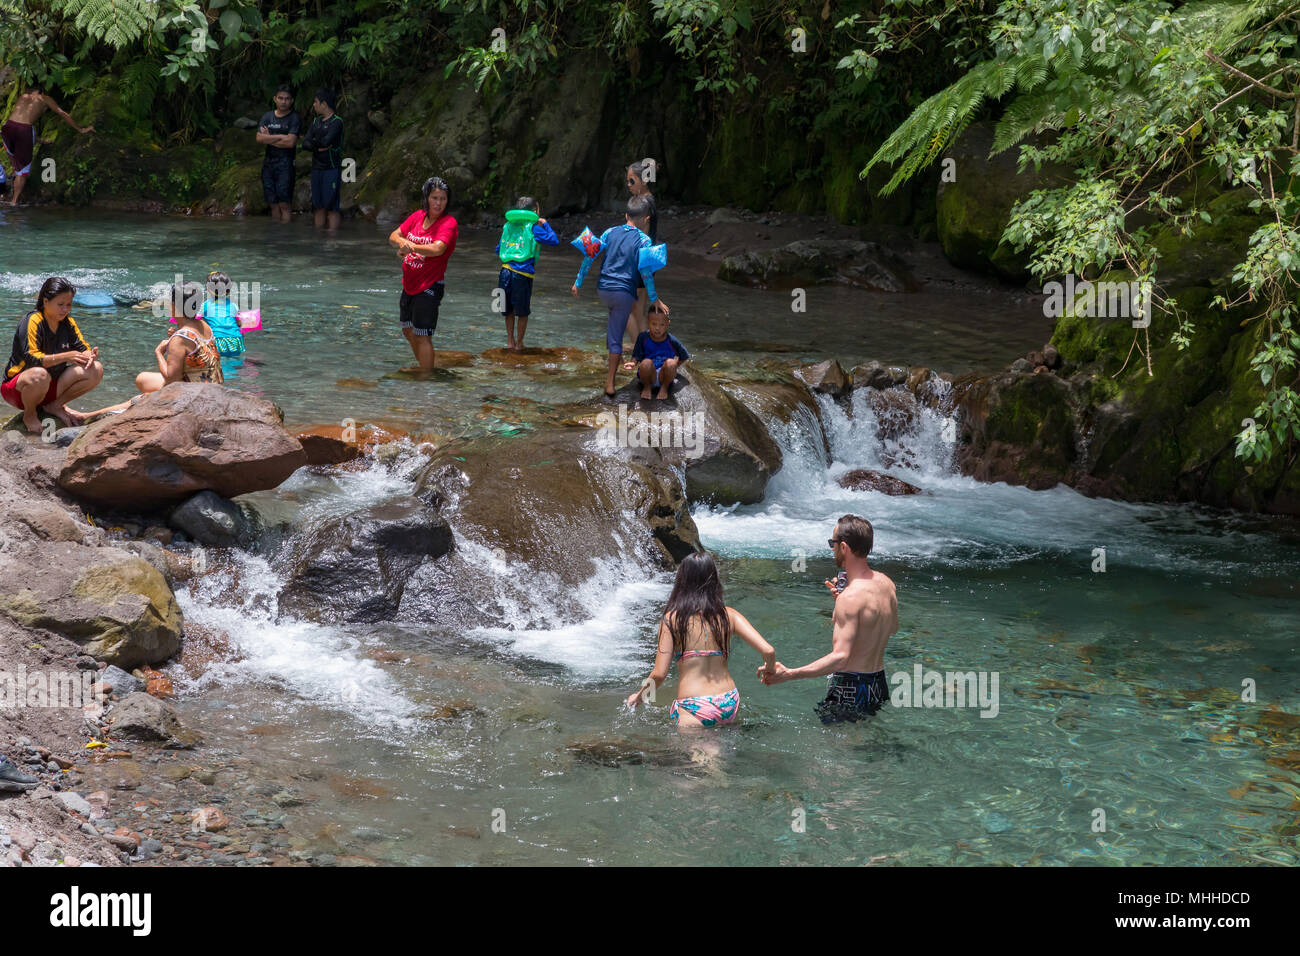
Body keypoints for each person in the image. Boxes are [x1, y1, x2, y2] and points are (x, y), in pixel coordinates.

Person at [760, 515, 898, 724]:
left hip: (850, 686)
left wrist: (789, 674)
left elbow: (840, 657)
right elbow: (892, 628)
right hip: (878, 683)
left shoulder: (851, 598)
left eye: (832, 544)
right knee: (864, 749)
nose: (832, 549)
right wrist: (841, 601)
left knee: (837, 751)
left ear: (843, 547)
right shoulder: (886, 584)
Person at [626, 552, 776, 729]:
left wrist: (639, 696)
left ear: (682, 581)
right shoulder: (729, 615)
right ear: (714, 580)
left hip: (694, 705)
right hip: (729, 700)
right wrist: (770, 670)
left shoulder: (672, 619)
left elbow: (659, 674)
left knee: (695, 755)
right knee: (718, 750)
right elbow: (768, 651)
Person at [571, 195, 669, 399]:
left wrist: (578, 282)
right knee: (616, 336)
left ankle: (636, 360)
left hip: (603, 289)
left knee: (616, 320)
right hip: (623, 291)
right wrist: (655, 299)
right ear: (647, 219)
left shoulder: (609, 232)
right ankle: (610, 384)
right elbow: (645, 273)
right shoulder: (644, 240)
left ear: (626, 215)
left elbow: (589, 255)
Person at [3, 277, 103, 433]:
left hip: (51, 387)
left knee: (96, 369)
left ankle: (55, 405)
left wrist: (89, 356)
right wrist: (67, 356)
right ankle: (29, 414)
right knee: (39, 374)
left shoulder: (68, 322)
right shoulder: (33, 320)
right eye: (60, 305)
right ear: (45, 301)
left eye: (68, 305)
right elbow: (32, 358)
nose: (65, 309)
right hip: (19, 389)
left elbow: (82, 347)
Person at [387, 176, 458, 370]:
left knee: (422, 334)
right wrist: (402, 243)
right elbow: (393, 236)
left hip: (430, 284)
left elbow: (438, 249)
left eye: (443, 199)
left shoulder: (448, 223)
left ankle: (425, 377)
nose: (438, 203)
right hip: (409, 284)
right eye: (435, 198)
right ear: (427, 198)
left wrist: (412, 248)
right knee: (408, 330)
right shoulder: (417, 216)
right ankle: (425, 367)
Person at [2, 83, 95, 206]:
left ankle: (14, 174)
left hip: (7, 128)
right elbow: (62, 113)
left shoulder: (23, 96)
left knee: (14, 154)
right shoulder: (44, 98)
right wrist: (80, 129)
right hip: (24, 131)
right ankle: (14, 202)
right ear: (42, 91)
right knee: (23, 172)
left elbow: (18, 125)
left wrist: (40, 140)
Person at [135, 281, 224, 392]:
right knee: (143, 378)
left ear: (173, 306)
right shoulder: (205, 325)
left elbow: (172, 381)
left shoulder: (180, 338)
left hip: (196, 394)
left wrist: (158, 352)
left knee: (140, 390)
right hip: (215, 389)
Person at [496, 196, 559, 351]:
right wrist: (545, 224)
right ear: (534, 212)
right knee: (522, 311)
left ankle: (509, 342)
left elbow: (499, 249)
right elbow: (554, 240)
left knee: (507, 310)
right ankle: (519, 344)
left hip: (504, 272)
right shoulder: (533, 227)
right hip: (522, 274)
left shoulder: (508, 226)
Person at [624, 160, 658, 347]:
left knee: (628, 309)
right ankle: (648, 347)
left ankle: (640, 350)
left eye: (631, 181)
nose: (628, 185)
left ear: (643, 181)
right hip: (648, 260)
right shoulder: (649, 200)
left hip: (640, 260)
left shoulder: (645, 203)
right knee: (639, 309)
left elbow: (641, 236)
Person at [256, 84, 300, 223]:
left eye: (287, 99)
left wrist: (269, 138)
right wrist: (281, 137)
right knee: (273, 203)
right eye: (280, 98)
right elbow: (259, 138)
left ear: (292, 100)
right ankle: (275, 236)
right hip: (269, 163)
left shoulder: (294, 118)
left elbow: (290, 143)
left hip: (286, 163)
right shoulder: (267, 117)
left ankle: (285, 235)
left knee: (284, 204)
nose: (283, 101)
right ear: (275, 99)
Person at [300, 88, 343, 230]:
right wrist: (317, 147)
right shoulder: (316, 121)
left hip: (331, 168)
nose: (314, 105)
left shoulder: (337, 122)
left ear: (324, 104)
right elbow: (305, 143)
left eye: (316, 102)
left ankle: (332, 237)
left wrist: (315, 142)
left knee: (331, 206)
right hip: (316, 167)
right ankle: (319, 235)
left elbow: (327, 141)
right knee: (318, 205)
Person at [631, 310, 688, 401]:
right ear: (647, 322)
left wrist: (673, 367)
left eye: (662, 325)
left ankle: (664, 388)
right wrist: (633, 363)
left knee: (671, 363)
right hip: (648, 375)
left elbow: (684, 356)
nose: (657, 328)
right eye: (654, 324)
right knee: (646, 363)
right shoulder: (643, 337)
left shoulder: (672, 340)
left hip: (664, 375)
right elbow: (636, 355)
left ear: (667, 323)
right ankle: (647, 387)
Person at [201, 271, 246, 373]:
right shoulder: (234, 305)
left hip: (218, 341)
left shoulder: (205, 305)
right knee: (234, 363)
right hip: (236, 340)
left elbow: (195, 322)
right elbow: (239, 324)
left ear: (208, 289)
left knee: (219, 366)